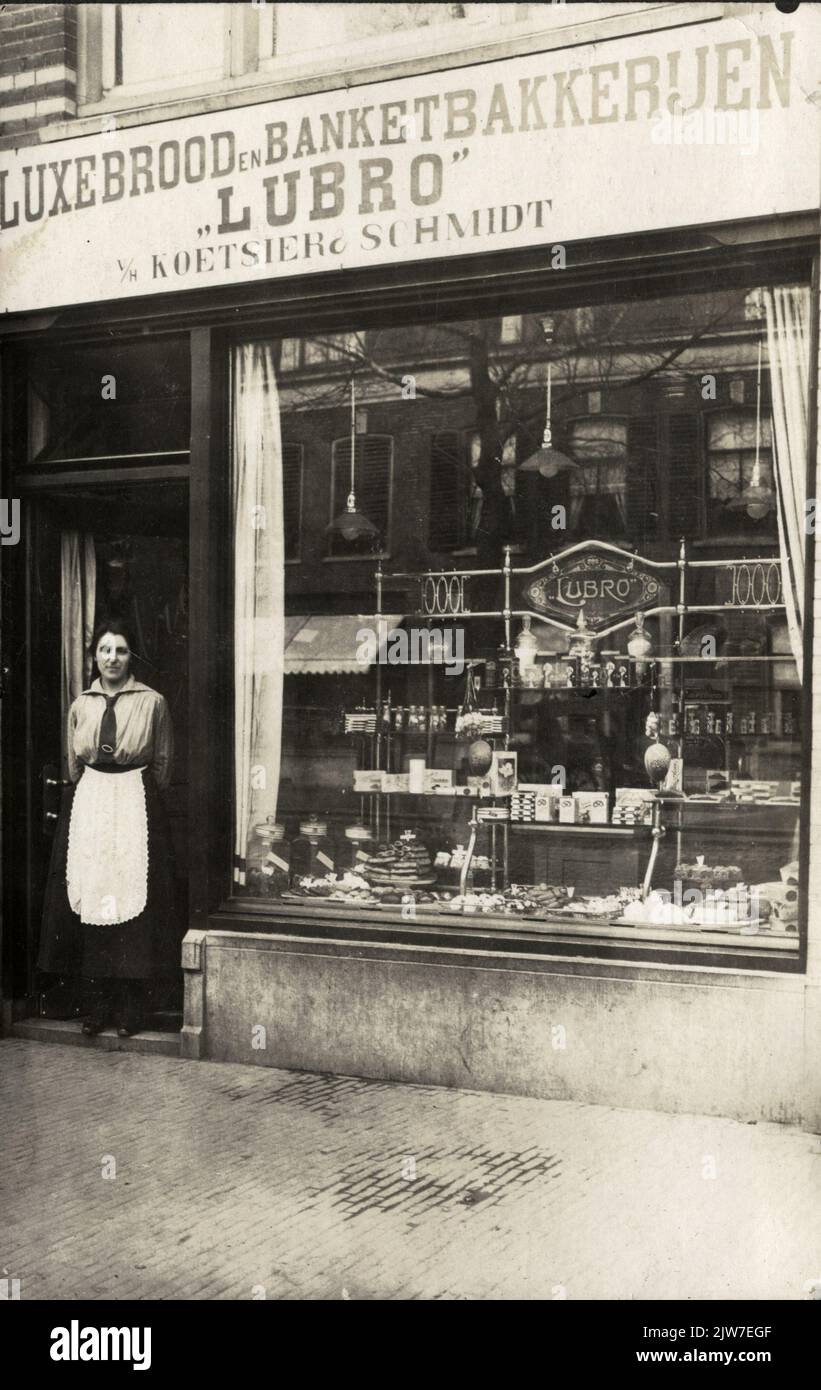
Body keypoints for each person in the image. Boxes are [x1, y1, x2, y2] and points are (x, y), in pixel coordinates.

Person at [37, 620, 177, 1037]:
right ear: (94, 657)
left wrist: (136, 793)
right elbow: (73, 764)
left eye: (120, 650)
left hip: (135, 799)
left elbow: (165, 764)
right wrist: (95, 793)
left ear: (131, 656)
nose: (112, 658)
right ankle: (99, 1005)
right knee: (93, 893)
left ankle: (133, 1008)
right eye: (105, 650)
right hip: (92, 801)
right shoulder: (82, 703)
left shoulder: (153, 702)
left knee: (135, 900)